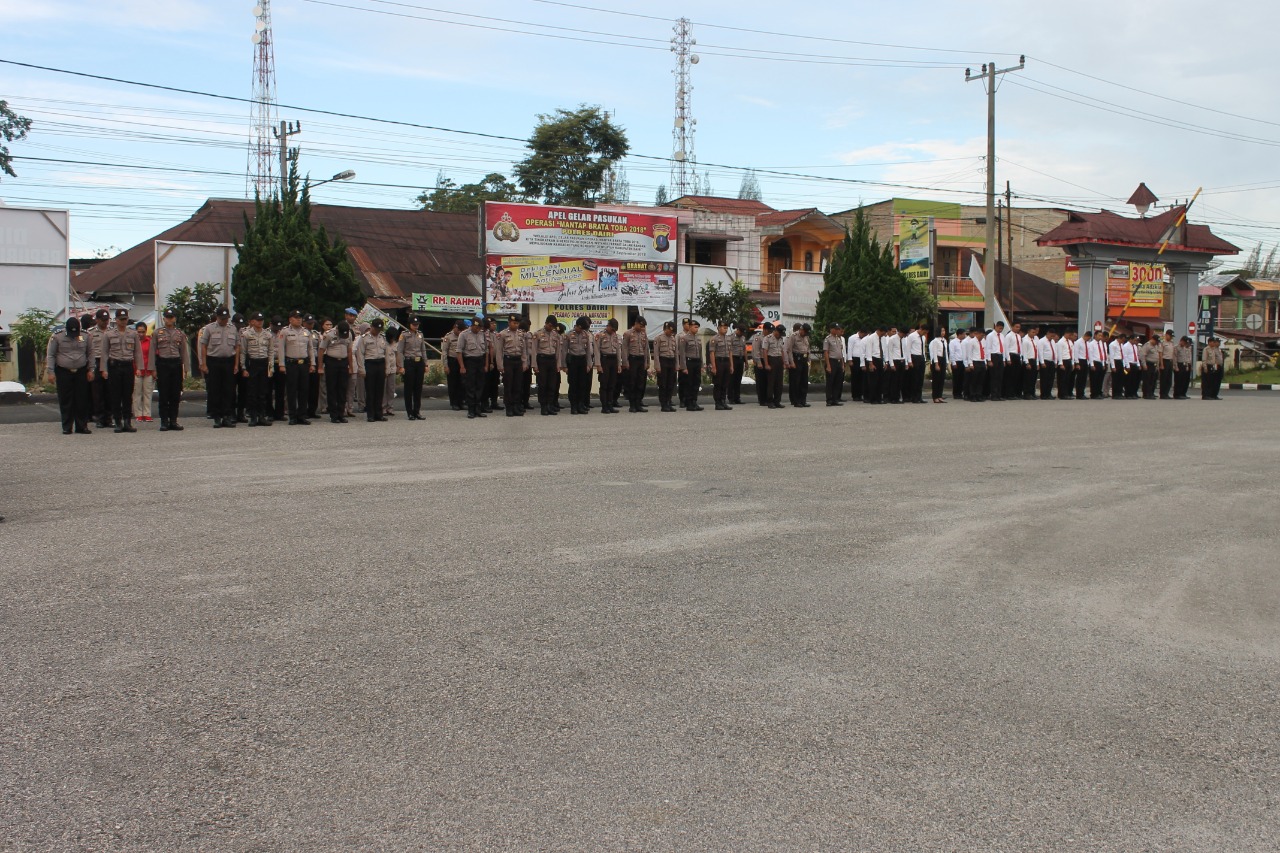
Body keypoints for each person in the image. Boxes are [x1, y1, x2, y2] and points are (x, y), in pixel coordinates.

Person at [46, 316, 94, 434]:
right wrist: (51, 372)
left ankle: (82, 426)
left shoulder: (86, 336)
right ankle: (67, 427)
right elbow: (51, 355)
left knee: (82, 399)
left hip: (81, 371)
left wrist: (91, 370)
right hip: (63, 371)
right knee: (66, 399)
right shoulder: (57, 336)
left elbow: (91, 353)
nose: (74, 335)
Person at [99, 308, 142, 432]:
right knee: (116, 395)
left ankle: (127, 422)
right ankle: (118, 421)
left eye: (125, 319)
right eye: (121, 319)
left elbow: (137, 352)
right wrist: (104, 369)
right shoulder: (109, 334)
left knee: (127, 395)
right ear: (116, 320)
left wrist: (139, 368)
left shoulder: (133, 334)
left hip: (128, 366)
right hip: (115, 366)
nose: (123, 322)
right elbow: (105, 353)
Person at [200, 307, 240, 428]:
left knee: (229, 390)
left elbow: (237, 347)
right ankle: (217, 417)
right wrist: (204, 363)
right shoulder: (209, 328)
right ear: (217, 317)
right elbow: (204, 346)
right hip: (214, 361)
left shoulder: (233, 328)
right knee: (215, 390)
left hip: (229, 361)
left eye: (226, 318)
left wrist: (236, 364)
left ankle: (227, 416)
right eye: (222, 319)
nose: (224, 321)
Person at [150, 308, 189, 431]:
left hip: (176, 364)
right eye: (167, 317)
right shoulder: (157, 333)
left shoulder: (180, 333)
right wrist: (153, 369)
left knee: (175, 394)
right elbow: (152, 352)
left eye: (171, 317)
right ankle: (164, 421)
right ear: (163, 319)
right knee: (164, 394)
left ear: (175, 319)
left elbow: (184, 352)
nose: (169, 319)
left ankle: (173, 420)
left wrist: (186, 368)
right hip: (163, 364)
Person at [239, 311, 275, 427]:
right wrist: (243, 368)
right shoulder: (246, 334)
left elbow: (270, 352)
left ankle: (262, 416)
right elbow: (243, 352)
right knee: (252, 392)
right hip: (252, 363)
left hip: (264, 363)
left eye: (261, 320)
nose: (260, 322)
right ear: (252, 321)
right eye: (258, 320)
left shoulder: (267, 335)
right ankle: (253, 417)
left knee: (263, 391)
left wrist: (271, 367)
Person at [319, 319, 354, 424]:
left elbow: (349, 351)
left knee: (342, 389)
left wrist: (351, 367)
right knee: (332, 388)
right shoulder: (329, 335)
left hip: (343, 363)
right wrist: (320, 366)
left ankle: (341, 414)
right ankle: (333, 415)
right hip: (331, 362)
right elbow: (321, 350)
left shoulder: (349, 335)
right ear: (337, 329)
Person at [456, 316, 490, 418]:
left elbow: (486, 351)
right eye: (477, 328)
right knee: (470, 386)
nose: (478, 330)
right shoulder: (464, 334)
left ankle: (477, 409)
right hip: (470, 361)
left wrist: (486, 364)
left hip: (480, 361)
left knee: (480, 386)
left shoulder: (482, 334)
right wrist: (462, 366)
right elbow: (459, 351)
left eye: (480, 328)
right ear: (472, 326)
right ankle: (471, 410)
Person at [496, 314, 529, 417]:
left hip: (518, 361)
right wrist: (500, 366)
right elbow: (499, 351)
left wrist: (524, 362)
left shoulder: (521, 334)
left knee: (518, 386)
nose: (516, 325)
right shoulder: (503, 334)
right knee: (508, 386)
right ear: (509, 322)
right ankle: (509, 408)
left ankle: (516, 406)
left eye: (517, 323)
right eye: (514, 323)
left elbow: (524, 350)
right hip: (508, 361)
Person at [357, 317, 390, 422]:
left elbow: (387, 354)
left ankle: (379, 413)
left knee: (380, 390)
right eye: (376, 329)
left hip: (380, 363)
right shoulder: (364, 338)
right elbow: (360, 354)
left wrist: (387, 368)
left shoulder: (382, 338)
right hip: (369, 363)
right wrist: (362, 369)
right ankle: (370, 414)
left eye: (379, 330)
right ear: (371, 327)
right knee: (370, 390)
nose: (377, 331)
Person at [532, 315, 564, 416]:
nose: (551, 328)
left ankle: (550, 405)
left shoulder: (556, 335)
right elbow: (534, 351)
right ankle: (543, 406)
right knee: (543, 384)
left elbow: (558, 351)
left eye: (553, 327)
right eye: (550, 326)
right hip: (542, 360)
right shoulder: (538, 334)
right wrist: (534, 365)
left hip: (552, 360)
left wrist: (558, 364)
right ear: (546, 323)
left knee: (552, 384)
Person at [86, 308, 112, 428]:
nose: (105, 322)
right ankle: (100, 417)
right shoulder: (90, 332)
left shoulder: (112, 331)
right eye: (102, 320)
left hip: (109, 361)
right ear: (97, 320)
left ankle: (109, 417)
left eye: (106, 320)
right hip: (96, 361)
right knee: (97, 391)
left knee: (110, 391)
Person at [565, 315, 595, 415]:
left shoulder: (586, 334)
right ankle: (573, 406)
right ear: (577, 325)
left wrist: (589, 364)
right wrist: (564, 366)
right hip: (573, 361)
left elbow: (588, 351)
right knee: (573, 384)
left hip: (582, 361)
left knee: (582, 384)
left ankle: (580, 405)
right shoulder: (568, 335)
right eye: (580, 328)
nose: (581, 330)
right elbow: (564, 351)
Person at [594, 318, 624, 413]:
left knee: (612, 384)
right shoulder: (600, 335)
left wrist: (619, 364)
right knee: (604, 384)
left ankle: (610, 405)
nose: (613, 331)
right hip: (604, 360)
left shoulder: (616, 336)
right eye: (612, 329)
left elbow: (618, 351)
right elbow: (597, 351)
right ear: (608, 326)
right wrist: (598, 365)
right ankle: (604, 406)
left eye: (615, 330)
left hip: (613, 360)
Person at [622, 316, 651, 413]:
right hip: (632, 359)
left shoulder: (644, 334)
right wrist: (625, 362)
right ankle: (632, 405)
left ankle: (638, 404)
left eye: (643, 326)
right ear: (636, 323)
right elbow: (625, 348)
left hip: (641, 359)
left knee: (640, 383)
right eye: (641, 325)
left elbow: (646, 348)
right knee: (632, 382)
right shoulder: (628, 333)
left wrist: (647, 362)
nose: (642, 328)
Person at [707, 320, 735, 411]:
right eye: (724, 328)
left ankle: (723, 401)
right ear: (719, 328)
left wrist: (731, 365)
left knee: (725, 383)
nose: (725, 329)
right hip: (718, 361)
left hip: (726, 361)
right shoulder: (714, 339)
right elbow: (712, 353)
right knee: (718, 383)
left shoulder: (729, 338)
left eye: (726, 328)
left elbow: (730, 352)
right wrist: (713, 366)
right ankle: (717, 402)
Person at [654, 320, 680, 413]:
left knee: (670, 384)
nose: (671, 333)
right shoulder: (659, 338)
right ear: (667, 329)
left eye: (673, 332)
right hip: (663, 361)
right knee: (663, 384)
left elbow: (676, 353)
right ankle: (663, 404)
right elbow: (656, 354)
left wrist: (677, 365)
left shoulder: (673, 339)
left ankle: (668, 402)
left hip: (671, 361)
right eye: (670, 331)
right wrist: (657, 366)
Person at [132, 321, 154, 422]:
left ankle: (147, 413)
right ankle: (138, 413)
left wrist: (153, 370)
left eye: (143, 332)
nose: (141, 334)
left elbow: (153, 357)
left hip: (148, 370)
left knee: (147, 393)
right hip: (136, 371)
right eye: (139, 332)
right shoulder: (132, 341)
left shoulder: (150, 341)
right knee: (137, 393)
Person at [681, 319, 704, 411]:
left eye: (697, 327)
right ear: (690, 327)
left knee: (696, 383)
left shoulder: (698, 339)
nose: (696, 329)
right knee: (689, 383)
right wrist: (683, 367)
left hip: (697, 362)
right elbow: (682, 353)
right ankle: (689, 403)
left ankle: (694, 401)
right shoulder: (684, 338)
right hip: (689, 362)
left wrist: (702, 365)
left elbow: (700, 353)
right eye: (695, 327)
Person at [785, 323, 811, 407]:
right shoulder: (793, 336)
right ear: (801, 330)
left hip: (804, 359)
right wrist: (791, 362)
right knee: (796, 381)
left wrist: (809, 360)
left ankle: (803, 400)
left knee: (804, 380)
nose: (805, 334)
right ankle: (796, 401)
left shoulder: (806, 337)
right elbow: (789, 350)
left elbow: (808, 349)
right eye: (805, 332)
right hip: (796, 359)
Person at [441, 318, 464, 411]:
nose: (459, 332)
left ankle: (461, 402)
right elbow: (444, 352)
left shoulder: (463, 335)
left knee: (461, 383)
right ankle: (454, 403)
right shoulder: (448, 337)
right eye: (458, 330)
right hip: (452, 361)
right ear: (455, 327)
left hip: (461, 361)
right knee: (453, 383)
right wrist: (445, 365)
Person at [763, 323, 786, 408]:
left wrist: (783, 362)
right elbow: (765, 351)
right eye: (779, 333)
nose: (780, 335)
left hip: (779, 359)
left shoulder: (780, 339)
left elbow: (782, 351)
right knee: (771, 382)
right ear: (776, 331)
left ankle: (777, 401)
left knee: (779, 383)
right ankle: (770, 401)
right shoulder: (768, 338)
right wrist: (766, 364)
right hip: (771, 359)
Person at [231, 313, 249, 423]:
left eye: (241, 324)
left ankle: (241, 412)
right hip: (232, 360)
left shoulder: (245, 332)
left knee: (244, 389)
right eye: (238, 323)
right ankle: (232, 413)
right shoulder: (229, 330)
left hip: (244, 360)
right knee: (231, 389)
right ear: (233, 322)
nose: (240, 326)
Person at [822, 322, 845, 406]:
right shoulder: (827, 339)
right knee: (830, 381)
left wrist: (842, 364)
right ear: (831, 329)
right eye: (836, 329)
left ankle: (835, 399)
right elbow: (826, 352)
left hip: (839, 361)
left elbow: (841, 352)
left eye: (838, 329)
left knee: (838, 381)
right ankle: (829, 399)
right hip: (831, 361)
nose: (837, 331)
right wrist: (828, 365)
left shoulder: (839, 339)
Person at [270, 317, 288, 421]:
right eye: (275, 326)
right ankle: (269, 412)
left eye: (279, 327)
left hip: (281, 362)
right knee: (268, 388)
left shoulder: (283, 333)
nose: (277, 329)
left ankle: (279, 413)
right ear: (270, 324)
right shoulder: (266, 333)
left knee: (280, 389)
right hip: (269, 363)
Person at [315, 318, 333, 417]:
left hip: (331, 361)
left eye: (330, 325)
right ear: (322, 326)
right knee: (323, 386)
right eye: (327, 324)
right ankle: (323, 406)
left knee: (330, 385)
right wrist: (320, 366)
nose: (329, 326)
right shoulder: (319, 336)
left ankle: (330, 405)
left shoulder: (334, 336)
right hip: (322, 361)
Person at [905, 323, 927, 403]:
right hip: (914, 357)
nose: (924, 334)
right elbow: (908, 349)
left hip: (921, 357)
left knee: (921, 379)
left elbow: (923, 349)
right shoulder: (912, 336)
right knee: (915, 378)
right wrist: (909, 361)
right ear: (921, 329)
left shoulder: (923, 337)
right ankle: (913, 397)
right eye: (924, 332)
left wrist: (924, 358)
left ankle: (919, 397)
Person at [964, 326, 988, 402]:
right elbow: (969, 353)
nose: (982, 337)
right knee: (974, 380)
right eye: (981, 335)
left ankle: (979, 395)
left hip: (981, 361)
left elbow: (985, 352)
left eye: (983, 335)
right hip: (975, 361)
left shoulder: (983, 341)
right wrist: (970, 364)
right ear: (977, 334)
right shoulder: (972, 342)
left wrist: (985, 362)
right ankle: (972, 395)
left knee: (981, 380)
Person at [881, 325, 904, 403]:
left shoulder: (900, 339)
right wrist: (888, 362)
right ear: (888, 331)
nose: (894, 333)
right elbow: (886, 352)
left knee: (898, 381)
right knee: (888, 381)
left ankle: (895, 397)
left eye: (895, 331)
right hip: (890, 361)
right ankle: (887, 396)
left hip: (899, 360)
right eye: (893, 331)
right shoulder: (886, 339)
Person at [750, 323, 771, 406]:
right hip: (760, 360)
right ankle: (762, 399)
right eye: (769, 331)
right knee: (761, 381)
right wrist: (758, 362)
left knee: (767, 380)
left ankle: (767, 398)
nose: (770, 333)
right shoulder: (758, 337)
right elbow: (755, 350)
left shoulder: (770, 337)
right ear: (765, 330)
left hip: (768, 359)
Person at [383, 325, 401, 418]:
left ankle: (390, 408)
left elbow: (397, 355)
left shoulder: (396, 343)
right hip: (384, 368)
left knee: (391, 389)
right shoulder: (384, 342)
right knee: (383, 389)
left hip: (393, 368)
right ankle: (383, 408)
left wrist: (399, 366)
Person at [985, 321, 1006, 402]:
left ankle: (999, 394)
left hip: (1000, 356)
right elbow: (988, 348)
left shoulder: (1002, 336)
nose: (1000, 330)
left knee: (1000, 377)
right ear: (996, 326)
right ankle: (993, 395)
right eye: (999, 328)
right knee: (994, 376)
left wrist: (1004, 359)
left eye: (1002, 329)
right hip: (993, 356)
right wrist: (989, 360)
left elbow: (1003, 348)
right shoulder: (990, 336)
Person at [864, 328, 885, 404]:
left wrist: (885, 362)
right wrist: (870, 363)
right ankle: (872, 398)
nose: (884, 334)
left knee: (880, 380)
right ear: (880, 331)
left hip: (880, 359)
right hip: (873, 359)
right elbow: (868, 351)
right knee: (873, 381)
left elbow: (883, 350)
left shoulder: (882, 338)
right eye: (883, 333)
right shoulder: (871, 338)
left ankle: (879, 398)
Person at [1003, 322, 1024, 400]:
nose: (1018, 328)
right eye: (1016, 327)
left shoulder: (1018, 336)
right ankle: (1008, 393)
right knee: (1010, 376)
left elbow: (1020, 347)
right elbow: (1006, 348)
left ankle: (1014, 393)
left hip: (1017, 355)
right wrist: (1008, 358)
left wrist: (1021, 358)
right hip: (1011, 355)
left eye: (1019, 327)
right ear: (1012, 327)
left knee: (1016, 376)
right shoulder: (1008, 336)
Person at [928, 327, 948, 403]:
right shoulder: (935, 341)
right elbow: (934, 353)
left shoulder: (944, 340)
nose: (943, 332)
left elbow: (945, 352)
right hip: (937, 360)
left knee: (942, 379)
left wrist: (947, 362)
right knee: (936, 379)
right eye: (942, 330)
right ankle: (935, 396)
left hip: (943, 359)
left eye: (944, 330)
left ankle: (940, 395)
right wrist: (936, 364)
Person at [729, 322, 748, 404]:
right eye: (741, 332)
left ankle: (737, 397)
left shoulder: (743, 338)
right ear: (737, 330)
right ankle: (731, 398)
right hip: (733, 358)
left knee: (738, 379)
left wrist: (746, 362)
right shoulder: (731, 337)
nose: (742, 333)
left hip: (740, 359)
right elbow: (729, 351)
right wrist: (731, 364)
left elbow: (744, 350)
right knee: (732, 380)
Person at [1036, 329, 1057, 400]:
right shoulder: (1041, 341)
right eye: (1051, 336)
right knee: (1044, 378)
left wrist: (1055, 361)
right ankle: (1044, 394)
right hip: (1045, 361)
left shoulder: (1053, 341)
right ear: (1048, 333)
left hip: (1051, 361)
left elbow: (1054, 351)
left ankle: (1048, 393)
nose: (1052, 337)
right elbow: (1040, 352)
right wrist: (1042, 362)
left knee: (1051, 378)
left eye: (1053, 336)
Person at [1140, 333, 1161, 399]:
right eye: (1156, 341)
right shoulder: (1147, 345)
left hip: (1154, 365)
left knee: (1153, 380)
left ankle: (1151, 393)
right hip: (1148, 364)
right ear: (1152, 339)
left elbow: (1157, 356)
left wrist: (1157, 366)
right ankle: (1146, 394)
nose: (1156, 343)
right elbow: (1142, 355)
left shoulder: (1156, 346)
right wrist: (1144, 365)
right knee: (1147, 380)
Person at [847, 328, 865, 403]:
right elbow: (850, 349)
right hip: (855, 359)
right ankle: (855, 395)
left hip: (862, 359)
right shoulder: (852, 338)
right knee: (855, 378)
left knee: (861, 378)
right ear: (860, 332)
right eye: (863, 334)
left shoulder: (865, 339)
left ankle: (860, 394)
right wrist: (850, 360)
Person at [949, 328, 967, 401]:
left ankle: (961, 392)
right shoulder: (953, 342)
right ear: (959, 334)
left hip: (963, 361)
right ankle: (956, 393)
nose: (965, 335)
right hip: (957, 361)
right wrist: (953, 362)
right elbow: (952, 353)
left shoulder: (965, 342)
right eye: (963, 334)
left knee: (963, 378)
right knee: (956, 379)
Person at [1057, 331, 1075, 400]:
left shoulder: (1069, 342)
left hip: (1068, 360)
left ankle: (1067, 393)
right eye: (1070, 335)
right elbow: (1059, 353)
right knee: (1062, 379)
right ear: (1066, 334)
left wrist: (1072, 363)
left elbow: (1072, 352)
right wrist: (1061, 363)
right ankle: (1062, 394)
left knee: (1068, 379)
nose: (1070, 336)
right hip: (1063, 360)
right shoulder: (1061, 342)